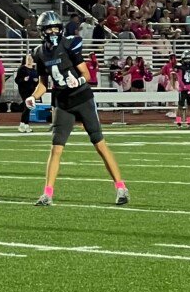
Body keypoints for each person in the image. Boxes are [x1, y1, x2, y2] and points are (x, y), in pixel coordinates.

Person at [28, 11, 128, 207]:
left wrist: (78, 80)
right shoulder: (39, 52)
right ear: (42, 31)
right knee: (56, 148)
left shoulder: (69, 44)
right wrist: (33, 96)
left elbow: (87, 74)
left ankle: (121, 187)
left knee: (99, 144)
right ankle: (47, 193)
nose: (53, 31)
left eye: (56, 27)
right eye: (49, 29)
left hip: (82, 98)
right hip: (62, 102)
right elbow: (43, 83)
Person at [16, 52, 41, 134]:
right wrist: (24, 79)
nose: (29, 60)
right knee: (27, 106)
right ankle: (23, 124)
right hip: (24, 90)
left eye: (31, 59)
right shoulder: (22, 68)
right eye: (28, 59)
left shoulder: (34, 70)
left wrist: (36, 81)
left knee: (28, 107)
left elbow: (36, 82)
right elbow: (17, 80)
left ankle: (25, 124)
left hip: (32, 90)